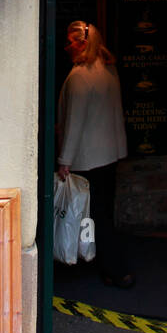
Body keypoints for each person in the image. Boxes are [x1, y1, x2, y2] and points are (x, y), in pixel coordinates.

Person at [57, 20, 135, 289]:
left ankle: (114, 269)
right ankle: (107, 264)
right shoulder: (108, 70)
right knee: (102, 214)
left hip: (87, 158)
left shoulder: (79, 76)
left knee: (90, 215)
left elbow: (73, 123)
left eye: (69, 42)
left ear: (81, 43)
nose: (66, 47)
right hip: (109, 155)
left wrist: (64, 160)